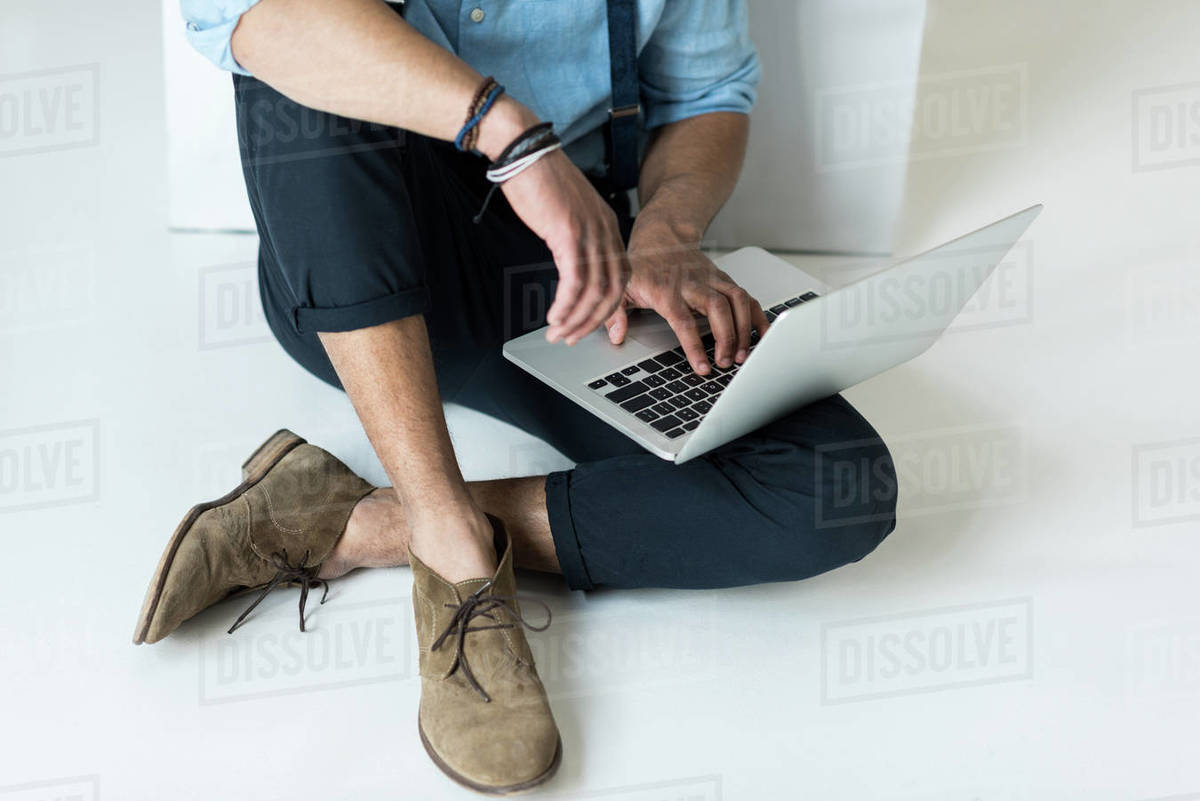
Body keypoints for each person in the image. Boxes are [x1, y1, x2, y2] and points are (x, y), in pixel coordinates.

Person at [134, 0, 899, 793]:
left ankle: (352, 520)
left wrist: (667, 231)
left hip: (574, 270)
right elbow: (245, 19)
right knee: (304, 47)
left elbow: (709, 93)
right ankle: (450, 549)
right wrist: (516, 141)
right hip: (361, 275)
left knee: (831, 485)